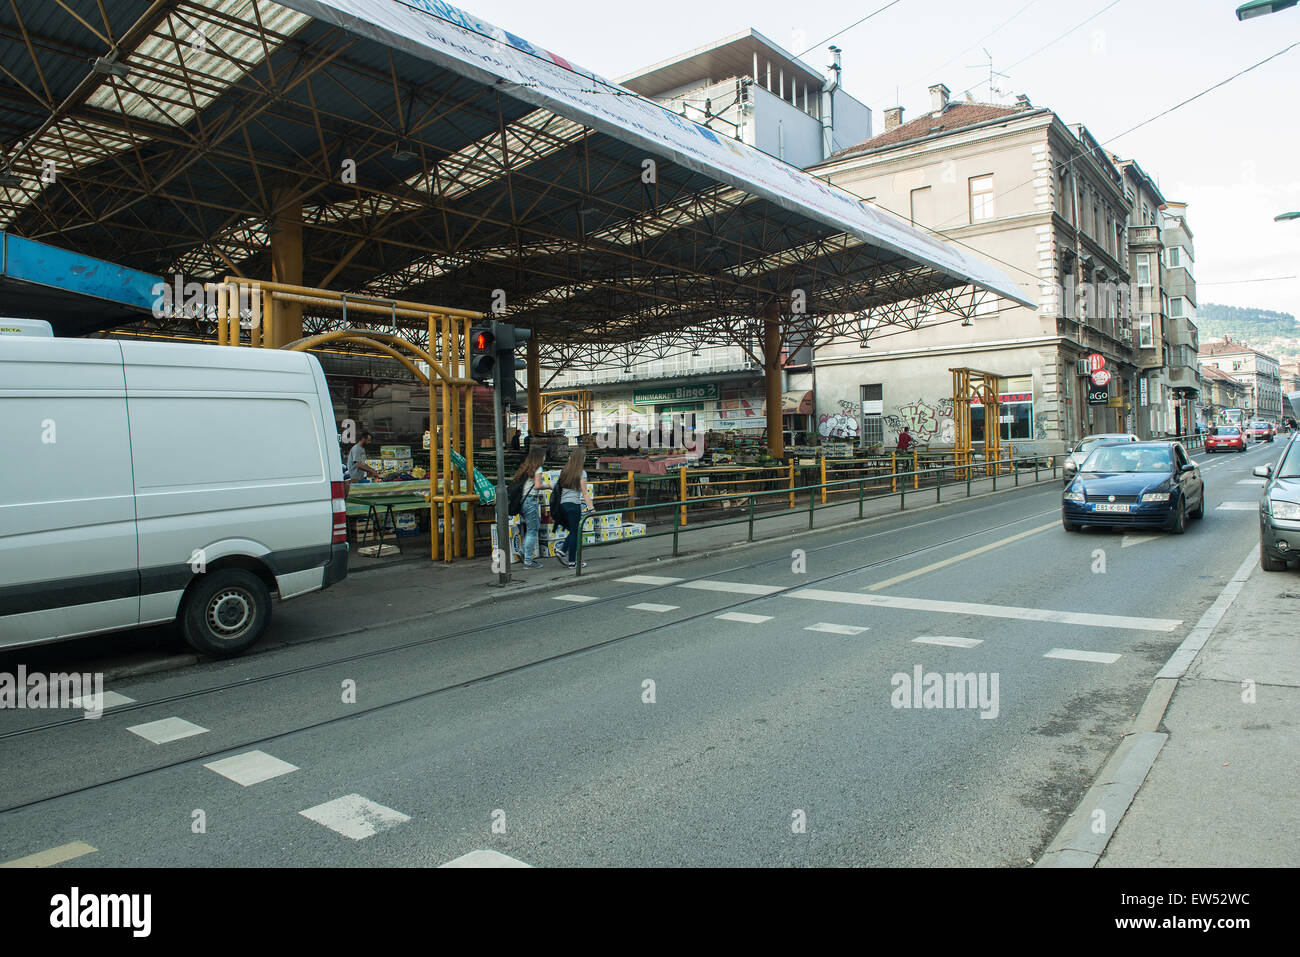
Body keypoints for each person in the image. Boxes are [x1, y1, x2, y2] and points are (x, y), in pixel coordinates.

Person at [554, 448, 593, 569]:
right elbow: (585, 493)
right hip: (573, 505)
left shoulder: (564, 471)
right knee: (575, 533)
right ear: (582, 459)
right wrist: (591, 508)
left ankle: (563, 551)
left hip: (563, 505)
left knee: (573, 531)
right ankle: (572, 561)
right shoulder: (582, 473)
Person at [512, 448, 547, 569]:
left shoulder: (526, 469)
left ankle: (523, 553)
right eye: (544, 456)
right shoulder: (538, 469)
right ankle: (528, 560)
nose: (544, 458)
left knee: (528, 529)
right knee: (532, 530)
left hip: (522, 503)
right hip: (530, 502)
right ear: (539, 458)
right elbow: (537, 485)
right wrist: (549, 486)